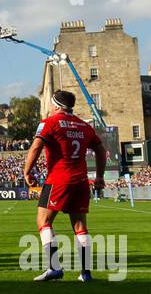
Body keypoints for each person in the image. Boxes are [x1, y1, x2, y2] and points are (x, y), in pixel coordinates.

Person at [22, 91, 107, 282]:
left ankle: (54, 268)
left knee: (43, 221)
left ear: (56, 106)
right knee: (80, 226)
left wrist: (27, 171)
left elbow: (35, 147)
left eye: (52, 105)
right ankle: (85, 274)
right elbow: (101, 151)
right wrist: (100, 176)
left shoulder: (50, 123)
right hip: (81, 181)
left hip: (58, 180)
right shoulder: (85, 126)